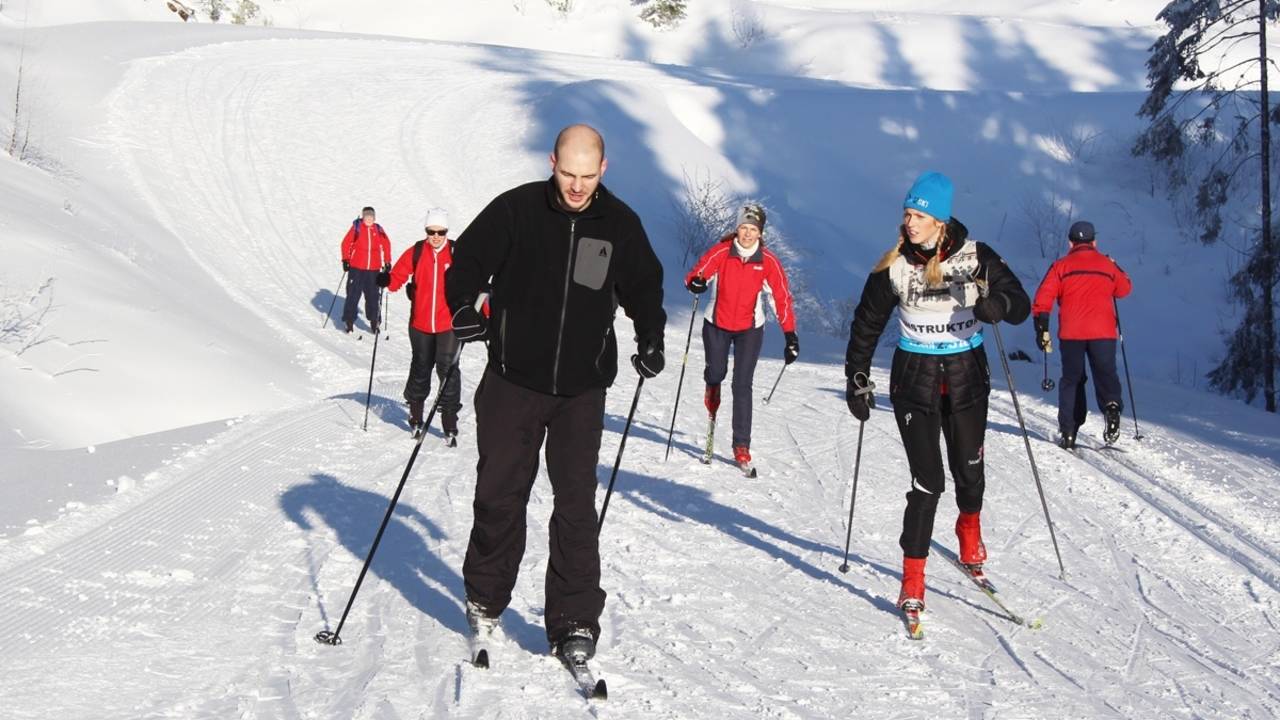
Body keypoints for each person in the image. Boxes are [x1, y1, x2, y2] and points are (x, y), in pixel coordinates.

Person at [444, 124, 667, 663]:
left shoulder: (619, 223)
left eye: (587, 176)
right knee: (499, 495)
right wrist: (463, 308)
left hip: (580, 391)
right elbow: (467, 262)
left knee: (575, 507)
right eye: (568, 173)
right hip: (511, 381)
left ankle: (573, 621)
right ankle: (486, 600)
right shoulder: (517, 210)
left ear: (604, 170)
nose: (576, 185)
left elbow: (644, 286)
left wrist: (652, 337)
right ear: (552, 161)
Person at [844, 171, 1030, 615]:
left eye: (918, 215)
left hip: (966, 377)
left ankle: (969, 531)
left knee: (969, 471)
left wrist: (995, 305)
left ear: (939, 221)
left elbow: (1020, 302)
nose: (909, 222)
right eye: (907, 214)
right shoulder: (894, 265)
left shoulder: (975, 256)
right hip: (915, 381)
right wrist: (857, 377)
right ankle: (913, 578)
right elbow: (866, 324)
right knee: (927, 483)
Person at [684, 203, 798, 472]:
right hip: (717, 324)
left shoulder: (768, 262)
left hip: (750, 328)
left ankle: (741, 446)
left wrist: (790, 334)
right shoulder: (722, 252)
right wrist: (695, 283)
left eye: (753, 229)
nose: (747, 234)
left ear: (760, 233)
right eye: (744, 228)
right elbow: (697, 274)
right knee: (717, 372)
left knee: (742, 384)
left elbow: (781, 299)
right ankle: (712, 390)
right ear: (737, 229)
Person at [1031, 220, 1133, 449]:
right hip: (1103, 332)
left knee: (1072, 380)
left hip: (1072, 333)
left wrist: (1041, 326)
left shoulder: (1060, 266)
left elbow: (1043, 298)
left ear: (1070, 243)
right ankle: (1112, 406)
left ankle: (1069, 431)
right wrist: (1117, 266)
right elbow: (1125, 289)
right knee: (1106, 373)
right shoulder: (1107, 265)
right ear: (1094, 242)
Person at [381, 207, 462, 444]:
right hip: (420, 323)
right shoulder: (417, 251)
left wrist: (485, 312)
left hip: (448, 324)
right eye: (431, 231)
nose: (436, 236)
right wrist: (387, 280)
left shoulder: (457, 253)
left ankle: (449, 423)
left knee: (448, 371)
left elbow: (473, 282)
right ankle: (416, 416)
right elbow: (398, 275)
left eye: (441, 231)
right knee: (420, 367)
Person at [340, 206, 393, 334]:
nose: (369, 219)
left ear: (374, 218)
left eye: (371, 217)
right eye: (366, 217)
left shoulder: (378, 229)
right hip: (357, 268)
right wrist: (346, 259)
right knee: (353, 294)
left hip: (373, 269)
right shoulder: (357, 228)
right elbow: (345, 243)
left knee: (373, 296)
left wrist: (387, 261)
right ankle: (349, 321)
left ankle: (374, 321)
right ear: (363, 217)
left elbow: (386, 244)